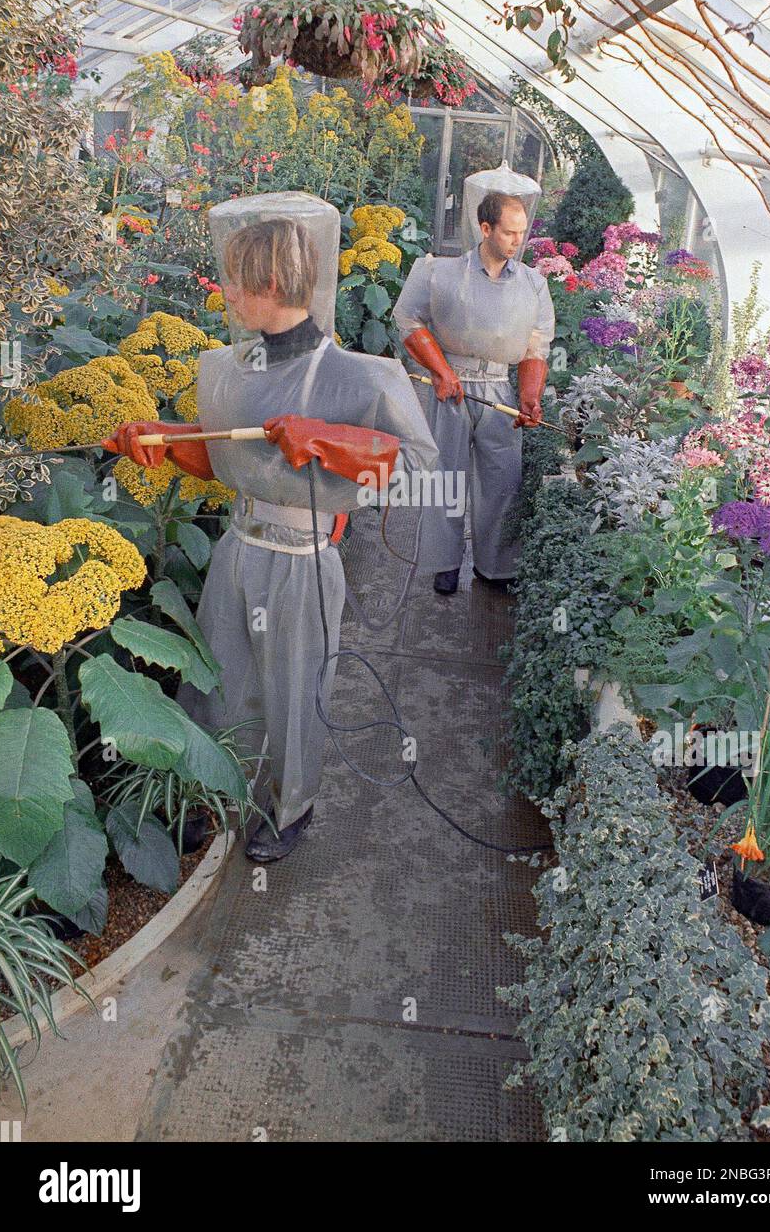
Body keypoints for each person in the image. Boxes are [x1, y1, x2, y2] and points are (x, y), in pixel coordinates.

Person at [107, 216, 438, 862]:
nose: (226, 294)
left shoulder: (357, 380)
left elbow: (417, 471)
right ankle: (203, 793)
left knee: (294, 689)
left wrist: (327, 441)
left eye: (235, 282)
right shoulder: (230, 371)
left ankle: (291, 806)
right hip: (238, 545)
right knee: (213, 680)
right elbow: (224, 464)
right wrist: (164, 440)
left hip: (303, 559)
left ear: (269, 282)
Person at [392, 190, 555, 594]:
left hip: (498, 389)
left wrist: (530, 397)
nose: (518, 241)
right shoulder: (441, 272)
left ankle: (496, 565)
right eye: (509, 233)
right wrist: (442, 371)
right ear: (485, 229)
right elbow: (408, 320)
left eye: (522, 233)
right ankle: (444, 563)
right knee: (443, 475)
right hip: (450, 388)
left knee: (502, 478)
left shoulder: (533, 285)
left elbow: (535, 346)